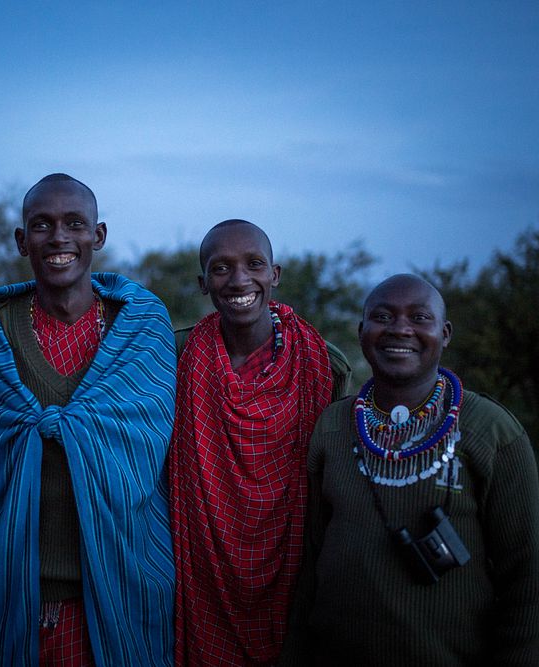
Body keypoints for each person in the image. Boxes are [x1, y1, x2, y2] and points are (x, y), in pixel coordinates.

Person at [0, 174, 177, 666]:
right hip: (8, 581)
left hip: (121, 576)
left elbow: (148, 448)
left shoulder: (141, 327)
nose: (58, 238)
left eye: (74, 224)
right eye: (41, 225)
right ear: (20, 240)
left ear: (97, 236)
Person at [282, 273, 539, 666]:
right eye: (383, 316)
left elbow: (526, 578)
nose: (400, 329)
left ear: (444, 333)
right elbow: (309, 563)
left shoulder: (490, 431)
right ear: (362, 331)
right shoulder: (332, 426)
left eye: (419, 317)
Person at [170, 219, 343, 666]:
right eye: (222, 268)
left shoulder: (321, 362)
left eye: (254, 264)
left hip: (293, 560)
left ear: (275, 275)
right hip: (203, 566)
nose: (239, 280)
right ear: (203, 283)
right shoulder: (177, 357)